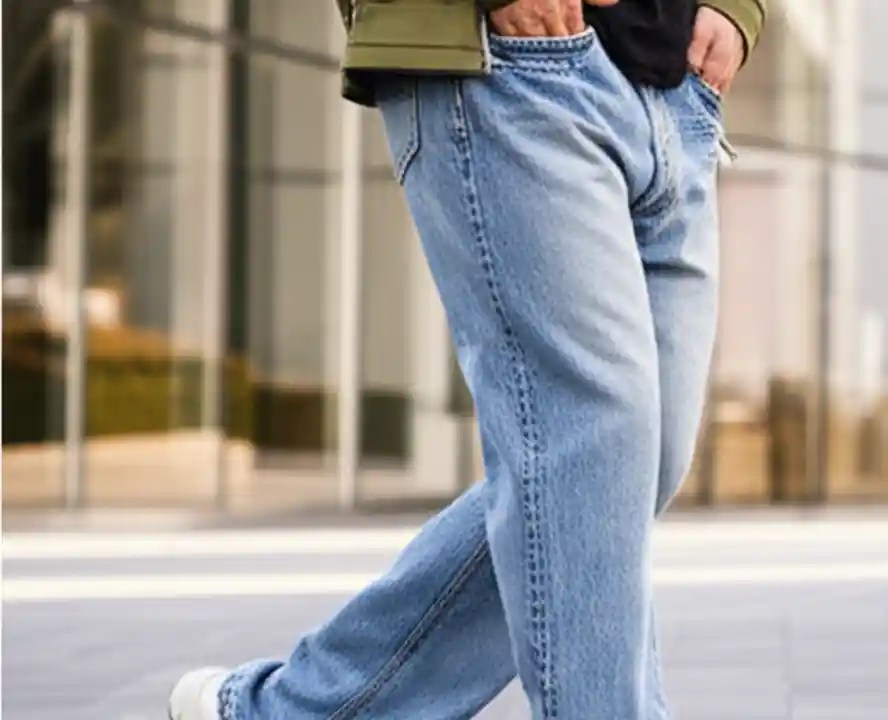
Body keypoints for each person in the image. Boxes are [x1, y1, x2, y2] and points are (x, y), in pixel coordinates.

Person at [168, 0, 765, 717]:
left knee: (634, 461)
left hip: (675, 89)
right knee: (593, 442)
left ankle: (301, 710)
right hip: (511, 62)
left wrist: (739, 12)